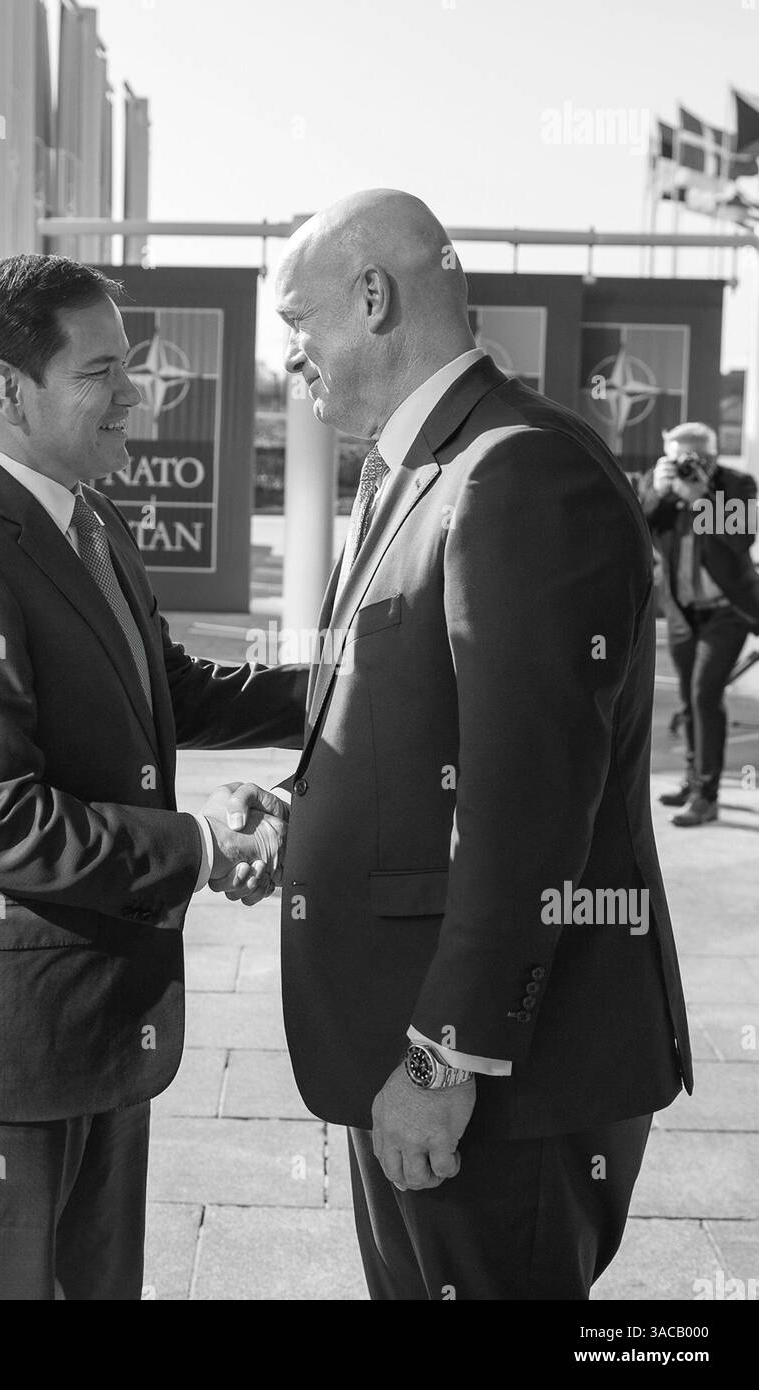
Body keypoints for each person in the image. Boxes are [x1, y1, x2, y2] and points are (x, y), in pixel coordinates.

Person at [0, 253, 306, 1300]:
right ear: (7, 393)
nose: (136, 394)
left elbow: (168, 690)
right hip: (0, 1042)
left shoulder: (87, 517)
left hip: (92, 1016)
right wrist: (199, 847)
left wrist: (344, 682)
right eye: (103, 371)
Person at [270, 189, 692, 1300]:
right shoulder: (422, 466)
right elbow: (416, 712)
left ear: (372, 299)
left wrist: (444, 1053)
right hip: (416, 1063)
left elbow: (528, 799)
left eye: (295, 325)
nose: (292, 360)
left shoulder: (515, 470)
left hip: (497, 1085)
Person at [639, 423, 759, 827]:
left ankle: (707, 796)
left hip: (728, 611)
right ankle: (693, 783)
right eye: (679, 460)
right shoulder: (662, 487)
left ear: (713, 457)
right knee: (689, 701)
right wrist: (659, 490)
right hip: (681, 612)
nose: (689, 466)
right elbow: (641, 527)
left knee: (705, 695)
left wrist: (704, 499)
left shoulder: (739, 485)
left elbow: (742, 540)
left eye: (697, 459)